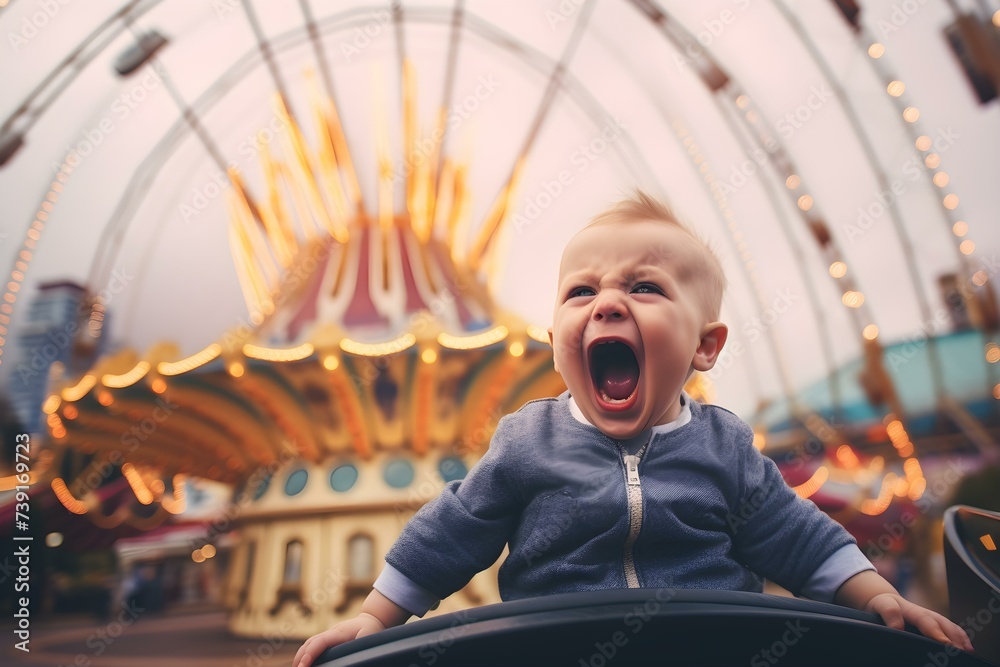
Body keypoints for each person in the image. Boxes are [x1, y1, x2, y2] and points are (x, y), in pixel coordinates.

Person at [294, 191, 972, 667]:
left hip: (711, 648)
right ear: (556, 335)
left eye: (644, 288)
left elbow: (796, 537)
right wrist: (373, 618)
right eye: (581, 291)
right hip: (555, 649)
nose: (608, 301)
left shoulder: (726, 448)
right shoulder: (527, 441)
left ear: (706, 346)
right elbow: (452, 531)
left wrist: (881, 597)